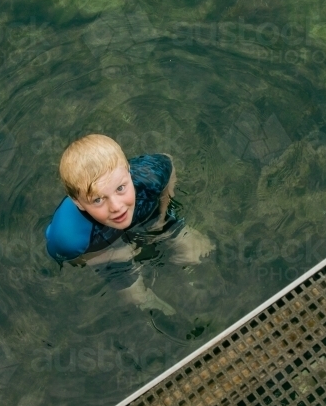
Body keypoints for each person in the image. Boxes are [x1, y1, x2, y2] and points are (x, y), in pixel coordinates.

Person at [45, 134, 213, 314]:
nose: (117, 207)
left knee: (196, 251)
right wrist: (113, 254)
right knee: (135, 295)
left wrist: (163, 216)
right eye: (98, 200)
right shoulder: (67, 236)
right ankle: (152, 306)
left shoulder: (147, 177)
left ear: (128, 171)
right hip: (100, 243)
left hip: (144, 214)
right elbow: (73, 260)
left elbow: (168, 163)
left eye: (120, 188)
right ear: (78, 202)